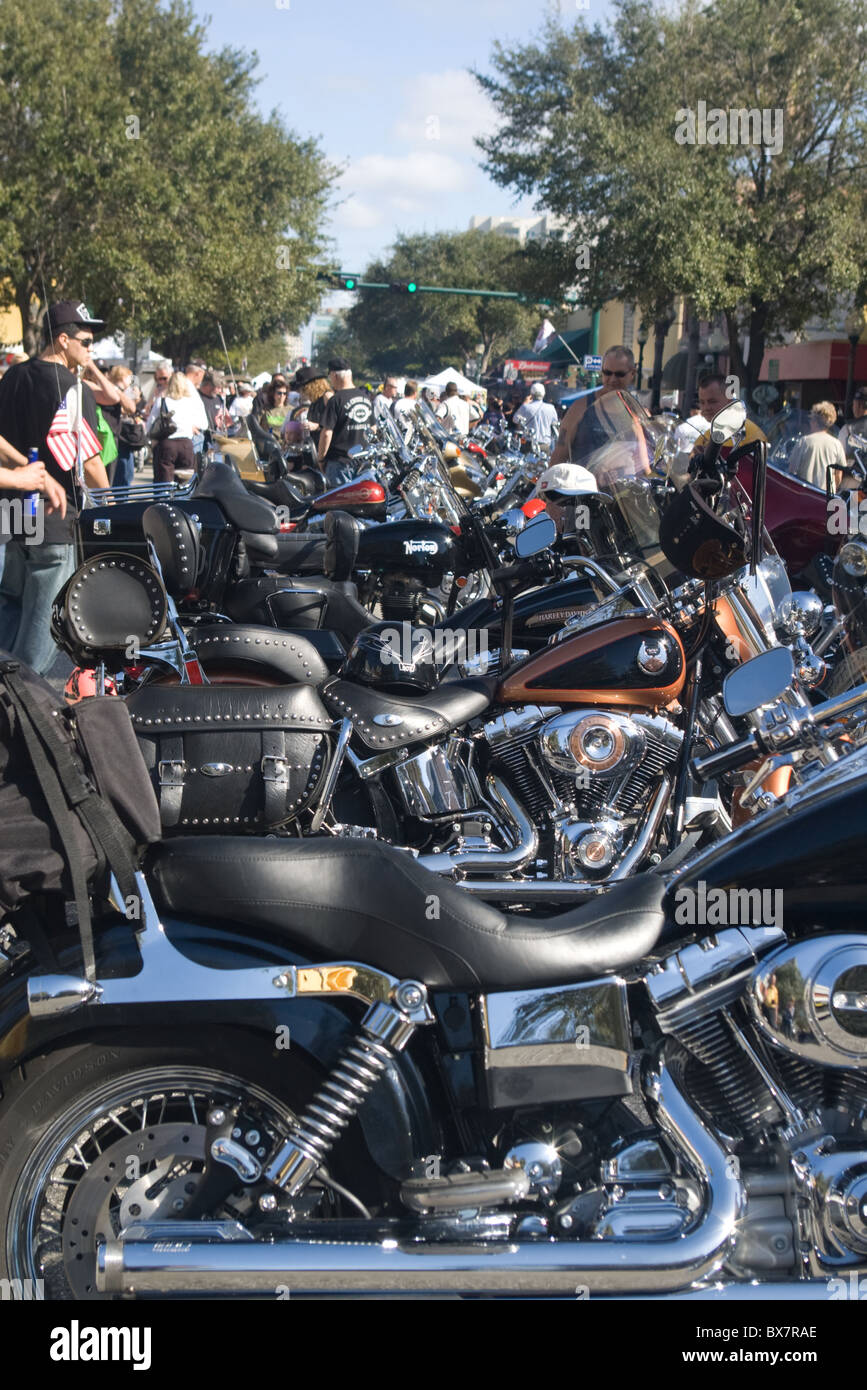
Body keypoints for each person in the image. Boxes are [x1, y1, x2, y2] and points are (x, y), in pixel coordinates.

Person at [0, 300, 109, 674]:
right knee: (43, 621)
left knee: (11, 606)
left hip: (12, 509)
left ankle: (7, 689)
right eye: (87, 341)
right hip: (53, 514)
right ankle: (23, 701)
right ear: (63, 340)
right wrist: (108, 503)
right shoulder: (73, 387)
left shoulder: (12, 376)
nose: (91, 349)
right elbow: (91, 461)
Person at [550, 346, 637, 465]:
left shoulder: (637, 411)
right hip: (583, 483)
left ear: (632, 374)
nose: (612, 379)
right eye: (607, 373)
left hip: (623, 482)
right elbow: (559, 454)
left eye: (619, 374)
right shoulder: (580, 407)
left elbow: (644, 460)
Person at [317, 358, 374, 488]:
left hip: (339, 464)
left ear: (335, 375)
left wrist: (321, 459)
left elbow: (326, 433)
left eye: (330, 376)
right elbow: (374, 429)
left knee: (339, 505)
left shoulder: (336, 400)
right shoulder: (365, 398)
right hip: (363, 463)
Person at [145, 370, 207, 485]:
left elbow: (149, 425)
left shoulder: (162, 401)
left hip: (167, 444)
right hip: (186, 445)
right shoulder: (191, 402)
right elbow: (203, 423)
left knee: (165, 483)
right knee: (185, 484)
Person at [786, 401, 847, 490]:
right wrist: (834, 490)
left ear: (814, 421)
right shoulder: (837, 444)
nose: (810, 422)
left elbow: (791, 469)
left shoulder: (805, 441)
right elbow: (839, 473)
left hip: (805, 493)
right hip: (826, 496)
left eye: (811, 419)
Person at [101, 365, 140, 488]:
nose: (130, 381)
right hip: (113, 436)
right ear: (123, 377)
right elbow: (130, 408)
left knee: (126, 474)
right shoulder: (113, 390)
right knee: (120, 475)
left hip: (119, 435)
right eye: (129, 378)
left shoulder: (119, 391)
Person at [513, 382, 559, 449]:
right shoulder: (551, 408)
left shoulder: (525, 407)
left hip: (528, 444)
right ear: (544, 394)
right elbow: (555, 423)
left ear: (531, 394)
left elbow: (515, 419)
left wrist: (525, 403)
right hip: (544, 444)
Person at [290, 366, 332, 436]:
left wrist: (317, 426)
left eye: (303, 389)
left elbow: (336, 422)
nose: (301, 392)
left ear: (311, 387)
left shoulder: (327, 397)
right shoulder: (314, 402)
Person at [838, 386, 867, 460]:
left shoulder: (848, 428)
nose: (852, 407)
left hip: (855, 470)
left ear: (859, 406)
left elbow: (840, 456)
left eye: (854, 404)